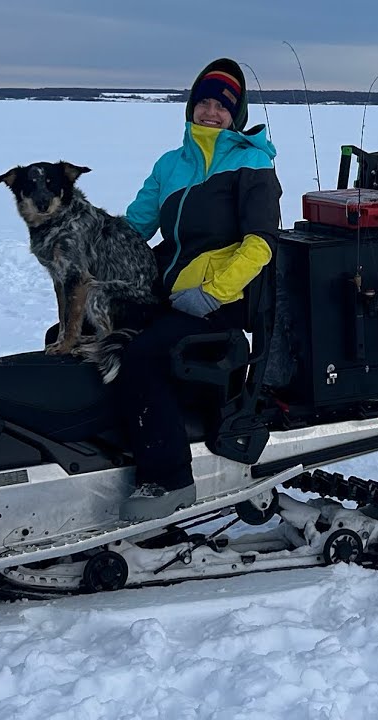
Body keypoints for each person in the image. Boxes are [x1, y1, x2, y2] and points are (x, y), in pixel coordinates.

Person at [117, 57, 283, 521]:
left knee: (144, 356)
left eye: (222, 106)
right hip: (169, 295)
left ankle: (168, 479)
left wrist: (214, 292)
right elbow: (136, 226)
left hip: (218, 305)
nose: (210, 112)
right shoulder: (172, 164)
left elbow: (261, 244)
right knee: (91, 336)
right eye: (203, 102)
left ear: (237, 114)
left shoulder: (252, 163)